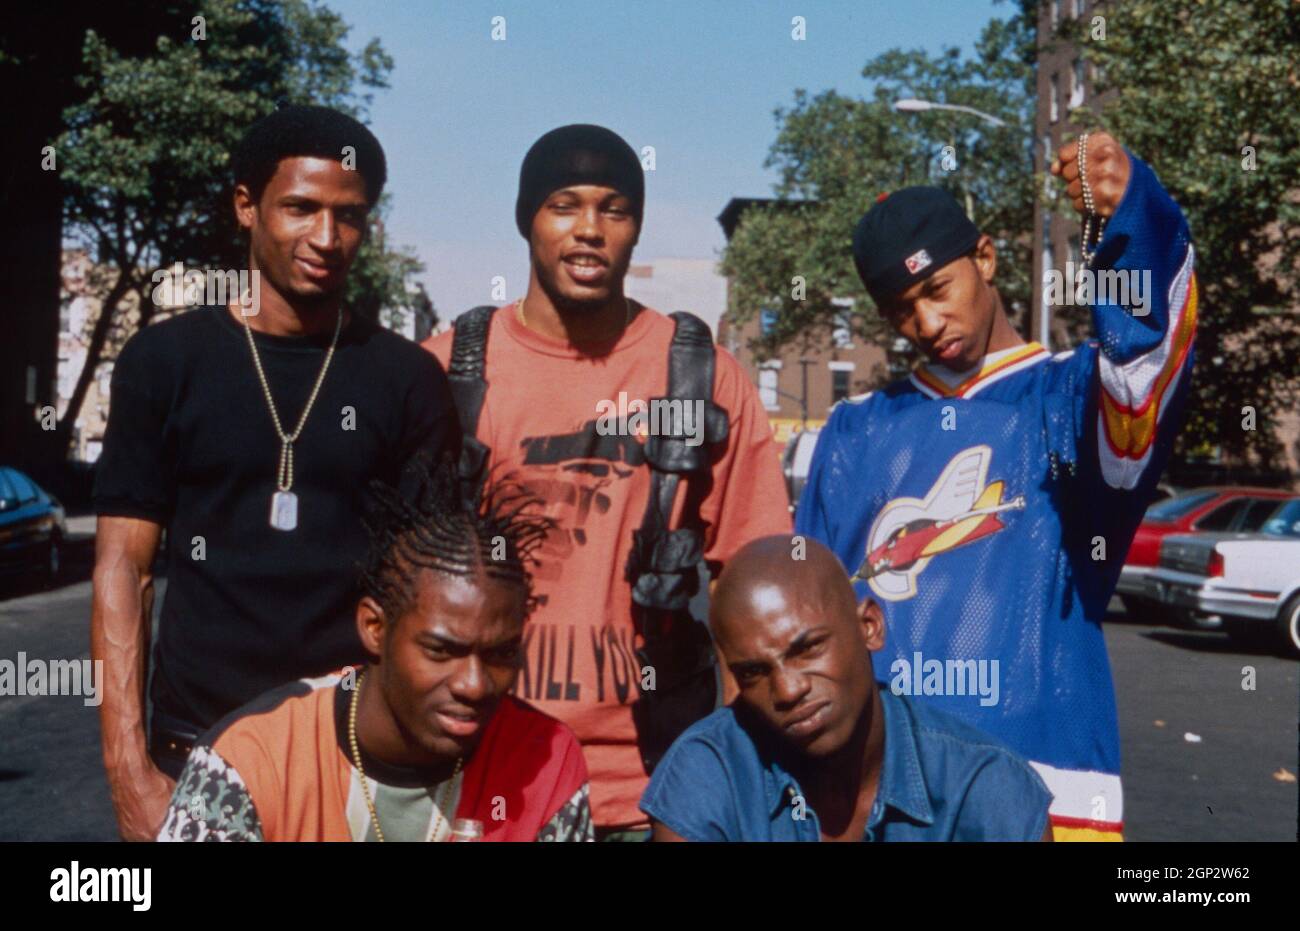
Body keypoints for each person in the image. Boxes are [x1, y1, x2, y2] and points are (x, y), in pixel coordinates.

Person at [795, 132, 1196, 840]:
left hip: (1046, 778)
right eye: (898, 310)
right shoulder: (855, 429)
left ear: (985, 257)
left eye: (935, 289)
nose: (925, 322)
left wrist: (1130, 219)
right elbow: (805, 613)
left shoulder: (1071, 399)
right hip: (876, 791)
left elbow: (1143, 369)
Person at [92, 104, 459, 840]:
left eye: (349, 216)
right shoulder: (167, 362)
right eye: (300, 208)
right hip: (193, 742)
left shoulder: (406, 379)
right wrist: (129, 769)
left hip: (351, 749)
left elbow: (429, 585)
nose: (326, 238)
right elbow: (122, 568)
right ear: (245, 206)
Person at [423, 124, 791, 836]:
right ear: (526, 218)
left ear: (637, 228)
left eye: (614, 209)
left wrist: (729, 775)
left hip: (656, 789)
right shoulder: (445, 374)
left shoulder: (703, 376)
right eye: (564, 204)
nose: (589, 229)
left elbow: (757, 577)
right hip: (479, 780)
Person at [158, 458, 591, 842]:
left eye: (500, 654)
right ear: (374, 627)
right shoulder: (250, 761)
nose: (474, 685)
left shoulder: (544, 759)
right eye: (441, 650)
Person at [640, 536, 1052, 841]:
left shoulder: (983, 789)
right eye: (753, 673)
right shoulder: (709, 774)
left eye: (808, 648)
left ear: (869, 627)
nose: (787, 690)